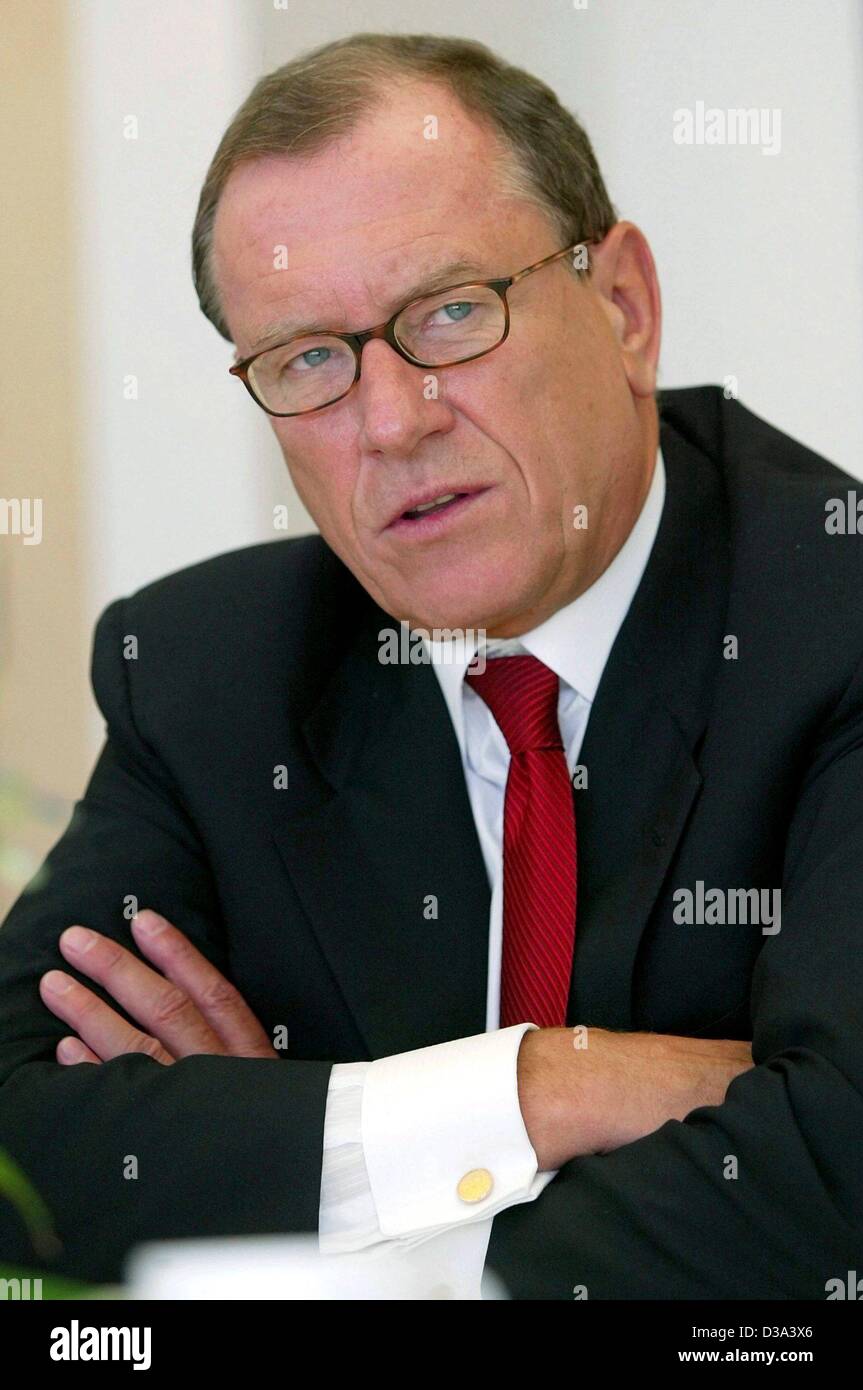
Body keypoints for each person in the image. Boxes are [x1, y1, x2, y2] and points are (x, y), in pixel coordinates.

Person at [1, 32, 861, 1299]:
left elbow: (830, 1186)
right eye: (307, 359)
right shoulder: (208, 675)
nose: (391, 421)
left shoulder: (828, 621)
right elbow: (20, 1150)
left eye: (451, 313)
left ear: (621, 305)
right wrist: (538, 1085)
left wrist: (325, 1170)